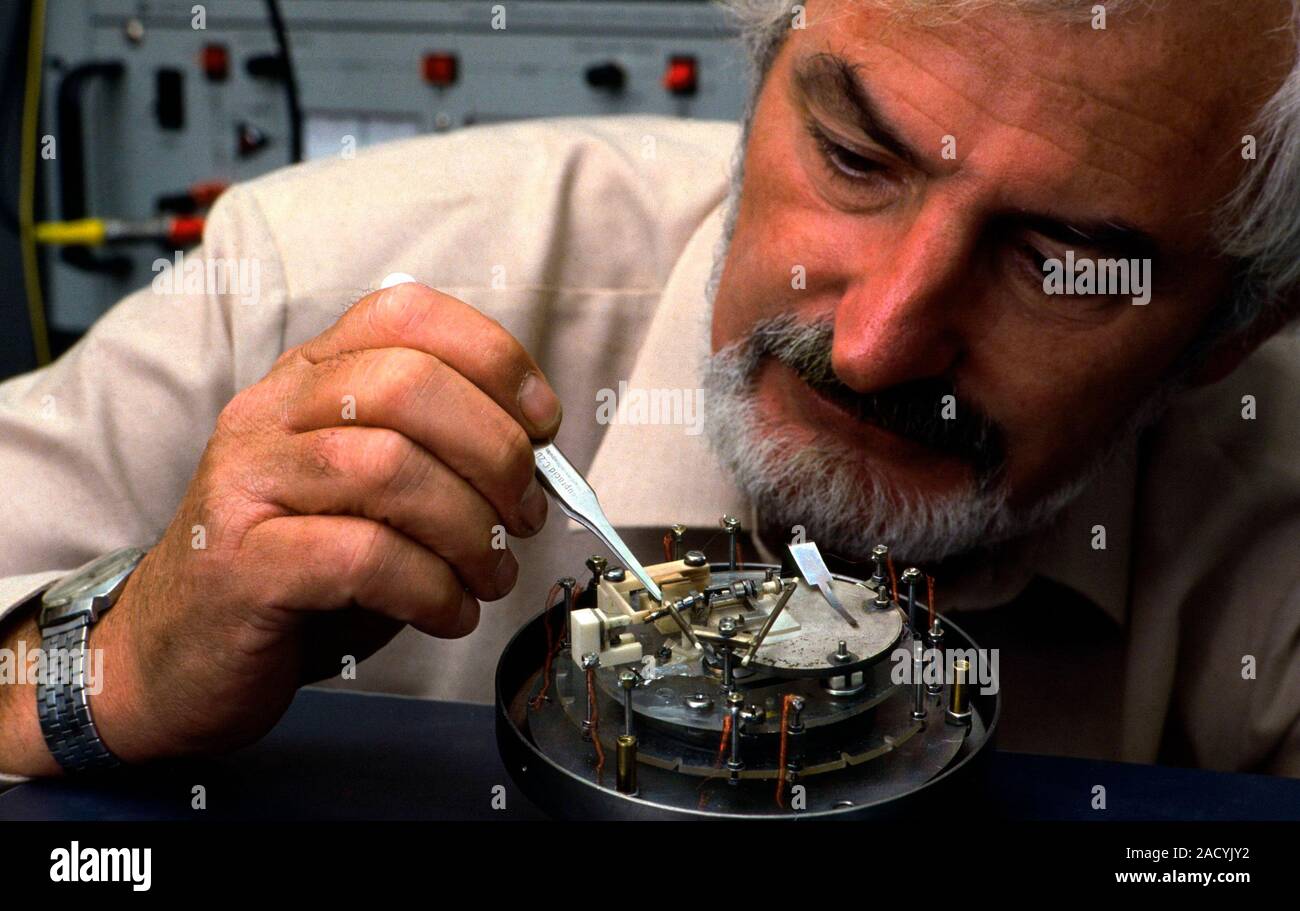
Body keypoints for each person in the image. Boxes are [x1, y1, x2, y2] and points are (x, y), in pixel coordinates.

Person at [1, 0, 1298, 780]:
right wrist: (108, 670)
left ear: (1237, 327)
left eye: (1057, 263)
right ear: (761, 71)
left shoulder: (1272, 544)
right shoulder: (298, 285)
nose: (876, 344)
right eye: (854, 157)